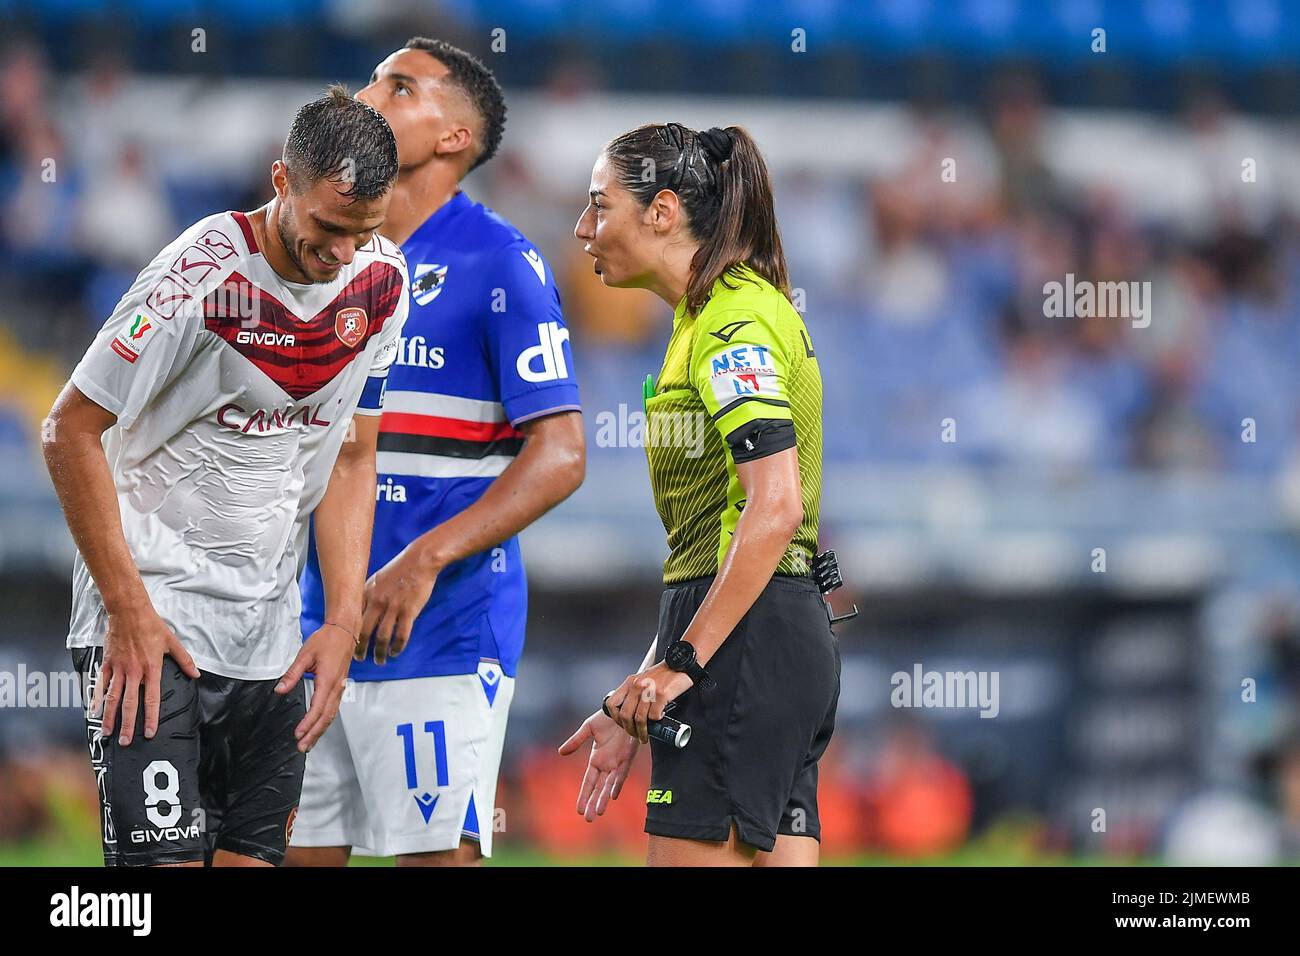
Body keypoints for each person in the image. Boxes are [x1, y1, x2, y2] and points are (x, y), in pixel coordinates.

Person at [41, 87, 408, 867]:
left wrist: (340, 622)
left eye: (364, 231)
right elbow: (68, 430)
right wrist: (128, 612)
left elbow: (352, 453)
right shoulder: (199, 273)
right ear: (281, 181)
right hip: (154, 620)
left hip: (269, 638)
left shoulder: (382, 283)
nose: (343, 252)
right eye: (328, 227)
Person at [286, 39, 584, 867]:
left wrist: (423, 561)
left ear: (454, 137)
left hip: (442, 628)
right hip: (312, 620)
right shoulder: (322, 253)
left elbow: (562, 453)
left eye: (400, 85)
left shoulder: (501, 263)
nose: (370, 92)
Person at [559, 122, 839, 866]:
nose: (582, 228)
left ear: (662, 210)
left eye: (598, 205)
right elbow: (716, 539)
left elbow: (773, 508)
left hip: (744, 645)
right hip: (761, 635)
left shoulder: (730, 323)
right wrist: (640, 694)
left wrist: (682, 664)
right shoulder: (711, 315)